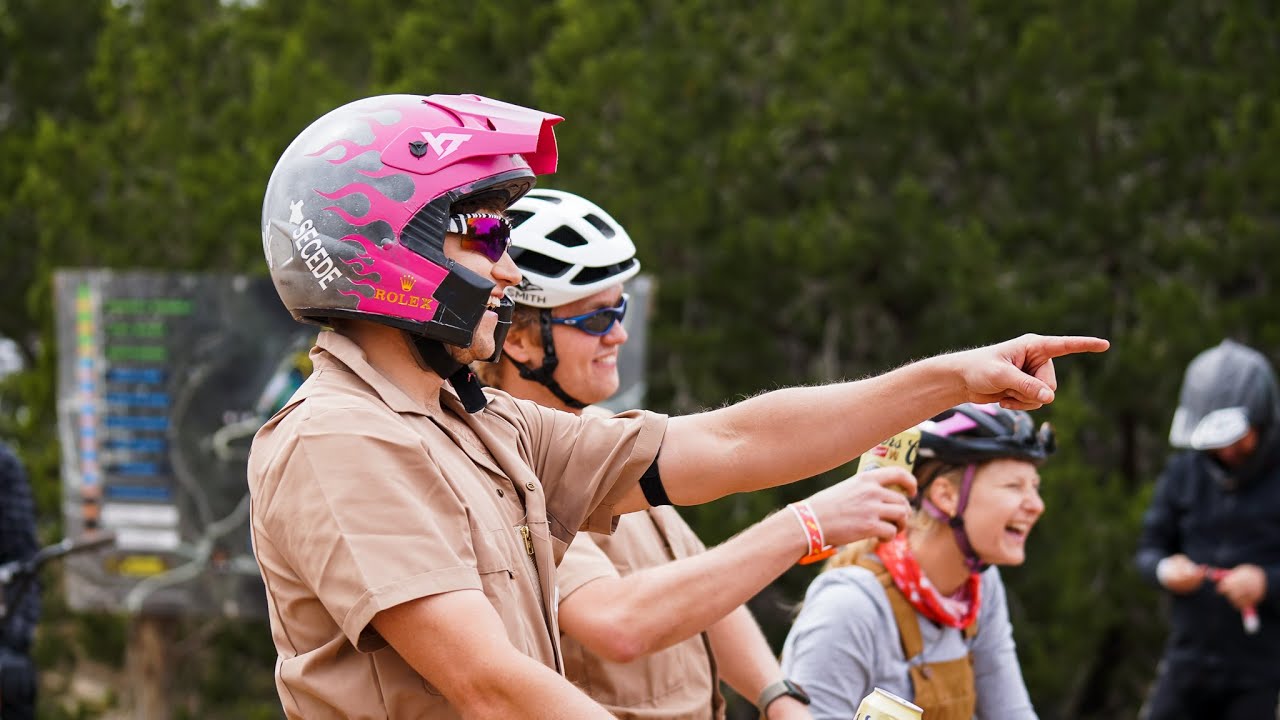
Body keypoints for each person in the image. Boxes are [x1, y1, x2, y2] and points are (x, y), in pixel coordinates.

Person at [248, 92, 1108, 719]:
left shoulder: (478, 424)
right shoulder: (341, 439)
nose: (509, 272)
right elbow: (489, 686)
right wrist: (809, 526)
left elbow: (729, 444)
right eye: (484, 237)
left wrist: (951, 378)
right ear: (385, 252)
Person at [480, 188, 918, 719]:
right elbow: (618, 622)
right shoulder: (508, 466)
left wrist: (776, 696)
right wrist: (806, 524)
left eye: (621, 308)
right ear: (521, 341)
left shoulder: (602, 434)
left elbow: (703, 584)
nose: (618, 334)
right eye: (594, 319)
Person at [780, 403, 1053, 719]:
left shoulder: (977, 589)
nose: (1036, 505)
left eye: (1035, 487)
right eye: (1014, 486)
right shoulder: (848, 607)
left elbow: (1012, 712)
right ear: (946, 496)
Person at [1135, 339, 1280, 720]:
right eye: (1217, 442)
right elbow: (1149, 550)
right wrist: (1167, 570)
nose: (1226, 450)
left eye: (1237, 439)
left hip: (1262, 669)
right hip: (1188, 661)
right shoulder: (1185, 471)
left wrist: (1267, 582)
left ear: (1262, 419)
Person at [0, 441, 40, 720]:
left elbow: (23, 561)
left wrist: (13, 639)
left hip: (4, 639)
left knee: (14, 679)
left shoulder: (3, 464)